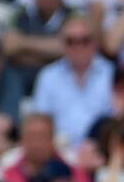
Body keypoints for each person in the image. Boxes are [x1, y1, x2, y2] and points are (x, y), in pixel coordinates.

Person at [30, 15, 116, 151]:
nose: (78, 46)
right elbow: (41, 123)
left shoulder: (112, 74)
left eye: (84, 40)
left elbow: (117, 119)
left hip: (103, 152)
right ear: (62, 43)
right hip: (59, 154)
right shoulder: (48, 76)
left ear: (96, 42)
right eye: (71, 41)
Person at [2, 113, 95, 182]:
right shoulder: (7, 177)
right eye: (32, 136)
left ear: (53, 138)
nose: (37, 143)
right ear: (22, 140)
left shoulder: (74, 175)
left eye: (43, 136)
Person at [3, 0, 70, 88]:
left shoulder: (73, 14)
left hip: (62, 84)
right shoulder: (20, 14)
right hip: (22, 81)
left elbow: (67, 47)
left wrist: (23, 44)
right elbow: (9, 47)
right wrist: (51, 55)